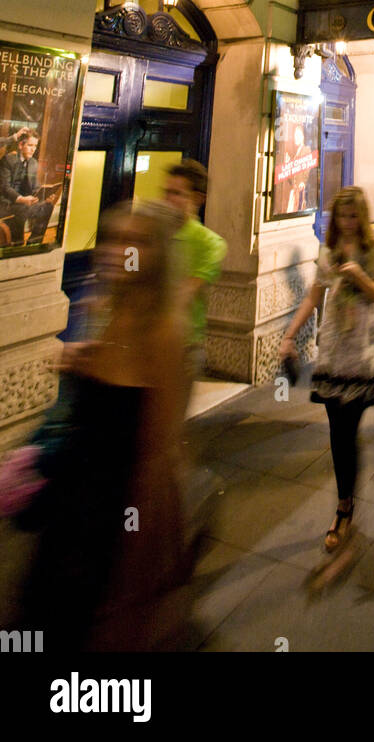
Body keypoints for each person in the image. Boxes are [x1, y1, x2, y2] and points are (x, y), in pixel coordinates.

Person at [14, 203, 189, 650]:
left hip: (113, 514)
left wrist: (135, 574)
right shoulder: (106, 309)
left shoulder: (165, 332)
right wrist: (83, 362)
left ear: (158, 257)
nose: (118, 251)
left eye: (136, 242)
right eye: (113, 239)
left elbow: (157, 457)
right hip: (70, 502)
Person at [279, 186, 374, 552]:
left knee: (348, 431)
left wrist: (359, 276)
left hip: (362, 353)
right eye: (342, 216)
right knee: (337, 432)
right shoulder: (327, 252)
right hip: (333, 352)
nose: (347, 222)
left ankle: (344, 507)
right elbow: (314, 295)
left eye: (353, 216)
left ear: (362, 217)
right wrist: (289, 336)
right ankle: (345, 501)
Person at [162, 160, 227, 401]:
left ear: (197, 199)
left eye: (177, 193)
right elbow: (131, 269)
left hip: (181, 346)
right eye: (166, 192)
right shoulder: (152, 231)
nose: (168, 199)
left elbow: (184, 292)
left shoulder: (209, 243)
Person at [0, 131, 57, 245]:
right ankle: (18, 243)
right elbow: (5, 188)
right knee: (22, 209)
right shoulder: (8, 160)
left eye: (35, 146)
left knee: (47, 206)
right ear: (21, 145)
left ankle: (34, 242)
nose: (33, 149)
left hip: (23, 203)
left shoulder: (33, 163)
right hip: (5, 203)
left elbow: (35, 187)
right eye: (30, 145)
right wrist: (22, 199)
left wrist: (44, 196)